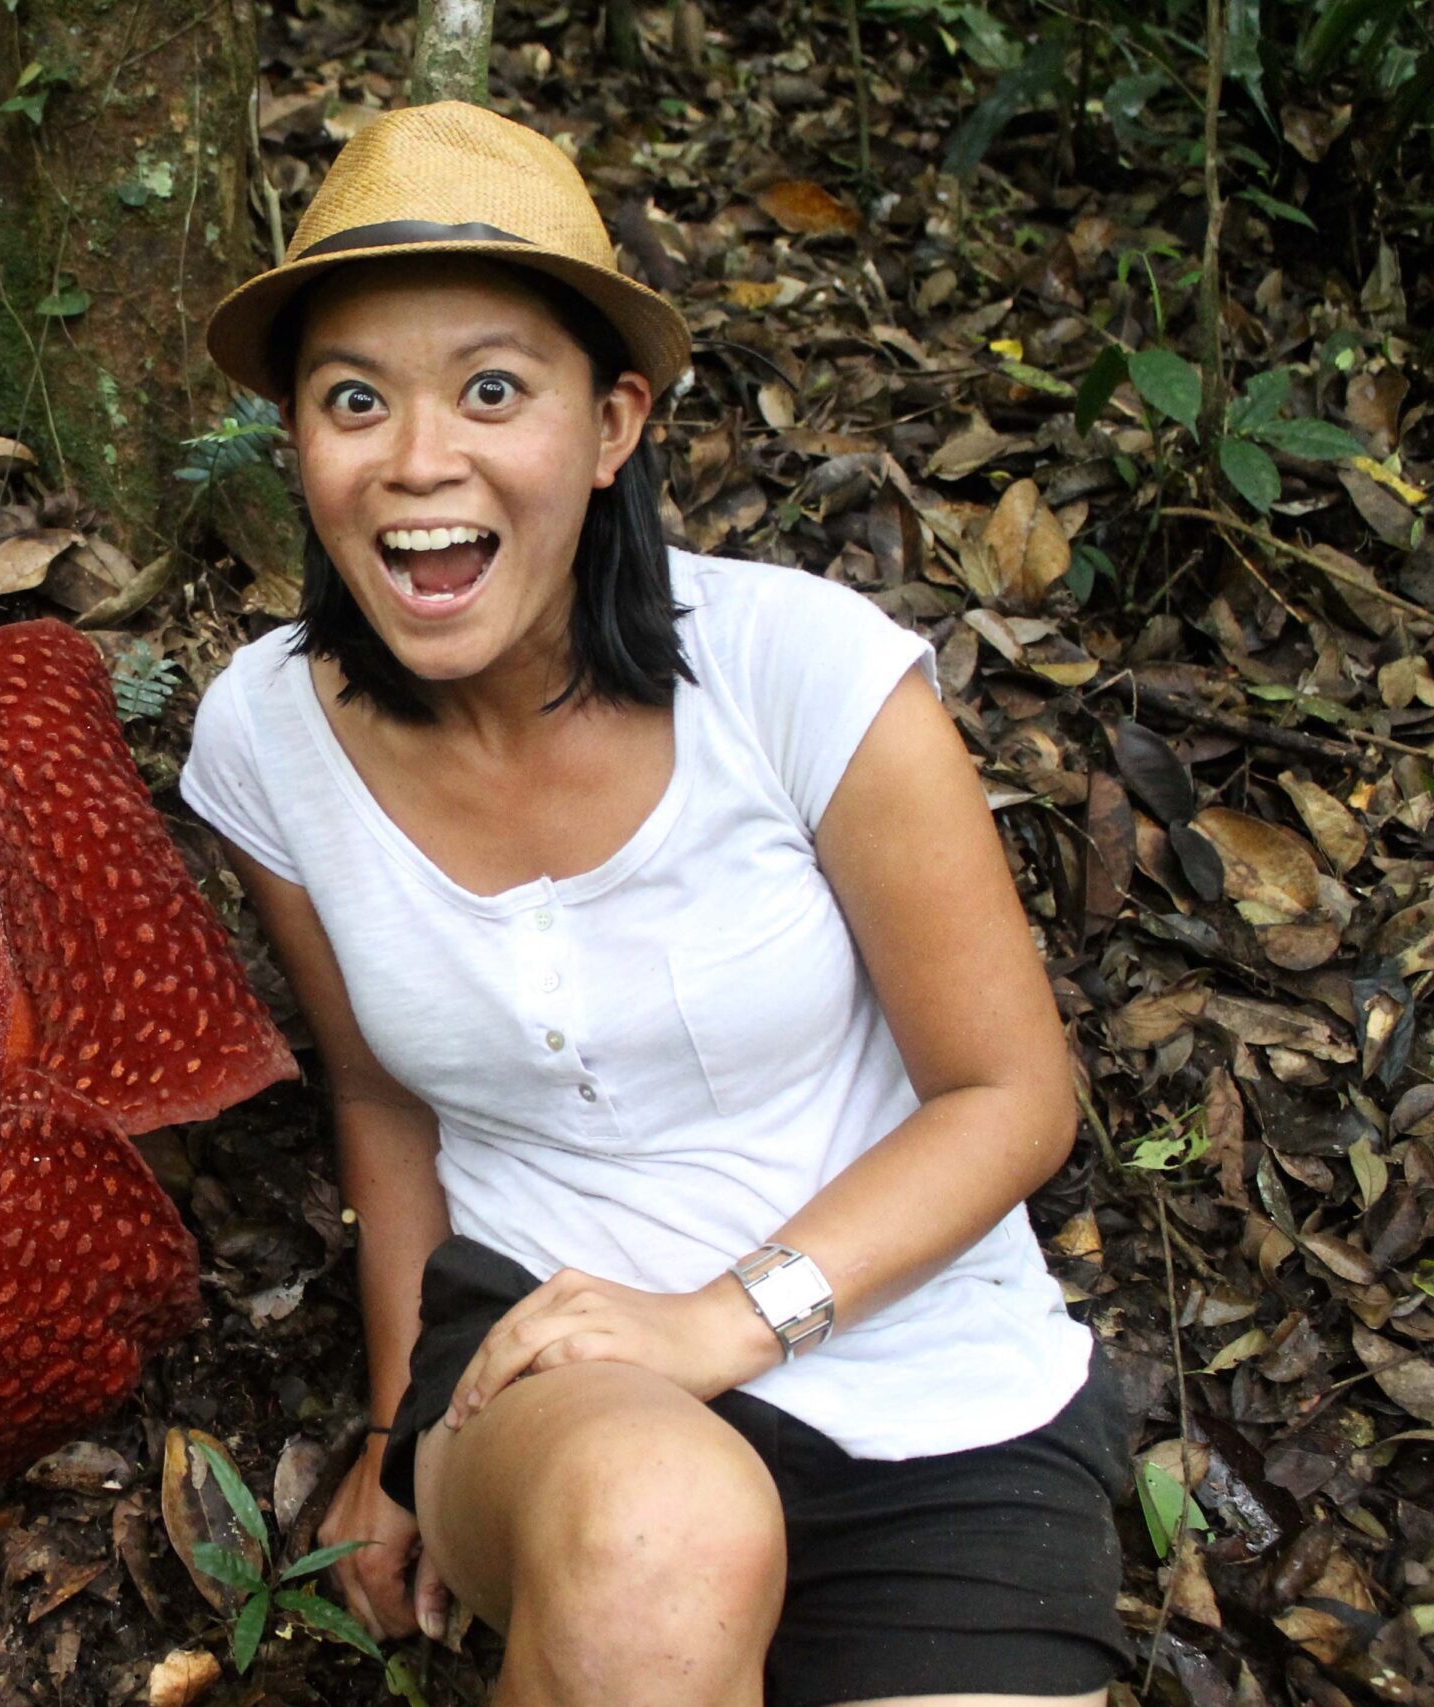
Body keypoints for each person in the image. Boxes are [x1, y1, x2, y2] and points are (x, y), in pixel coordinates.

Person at [181, 102, 1135, 1707]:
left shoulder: (804, 675)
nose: (421, 461)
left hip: (936, 1387)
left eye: (495, 389)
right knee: (662, 1531)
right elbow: (378, 1094)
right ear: (298, 439)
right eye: (356, 399)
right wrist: (393, 1432)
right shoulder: (267, 738)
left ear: (612, 425)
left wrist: (723, 1323)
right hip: (559, 1376)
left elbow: (1014, 1094)